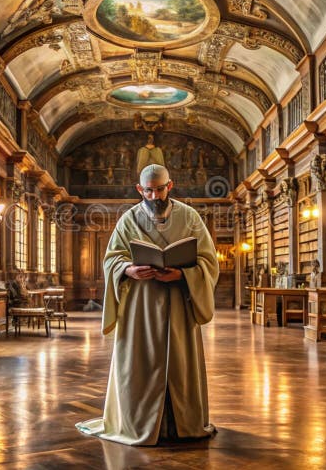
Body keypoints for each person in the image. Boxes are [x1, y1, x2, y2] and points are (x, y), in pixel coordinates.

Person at [76, 164, 219, 446]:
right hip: (139, 307)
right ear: (139, 189)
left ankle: (181, 425)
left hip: (179, 302)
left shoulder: (190, 217)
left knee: (180, 365)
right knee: (139, 366)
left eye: (160, 189)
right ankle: (137, 422)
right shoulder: (128, 219)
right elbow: (112, 259)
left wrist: (182, 274)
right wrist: (128, 270)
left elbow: (208, 260)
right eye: (149, 190)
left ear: (170, 185)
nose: (155, 196)